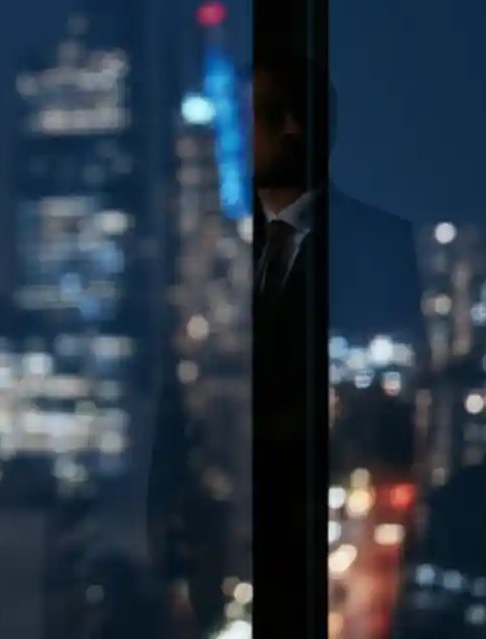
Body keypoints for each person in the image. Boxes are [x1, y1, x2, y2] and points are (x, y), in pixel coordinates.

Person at [147, 53, 424, 634]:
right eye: (268, 116)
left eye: (299, 115)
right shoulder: (197, 258)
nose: (288, 131)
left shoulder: (381, 241)